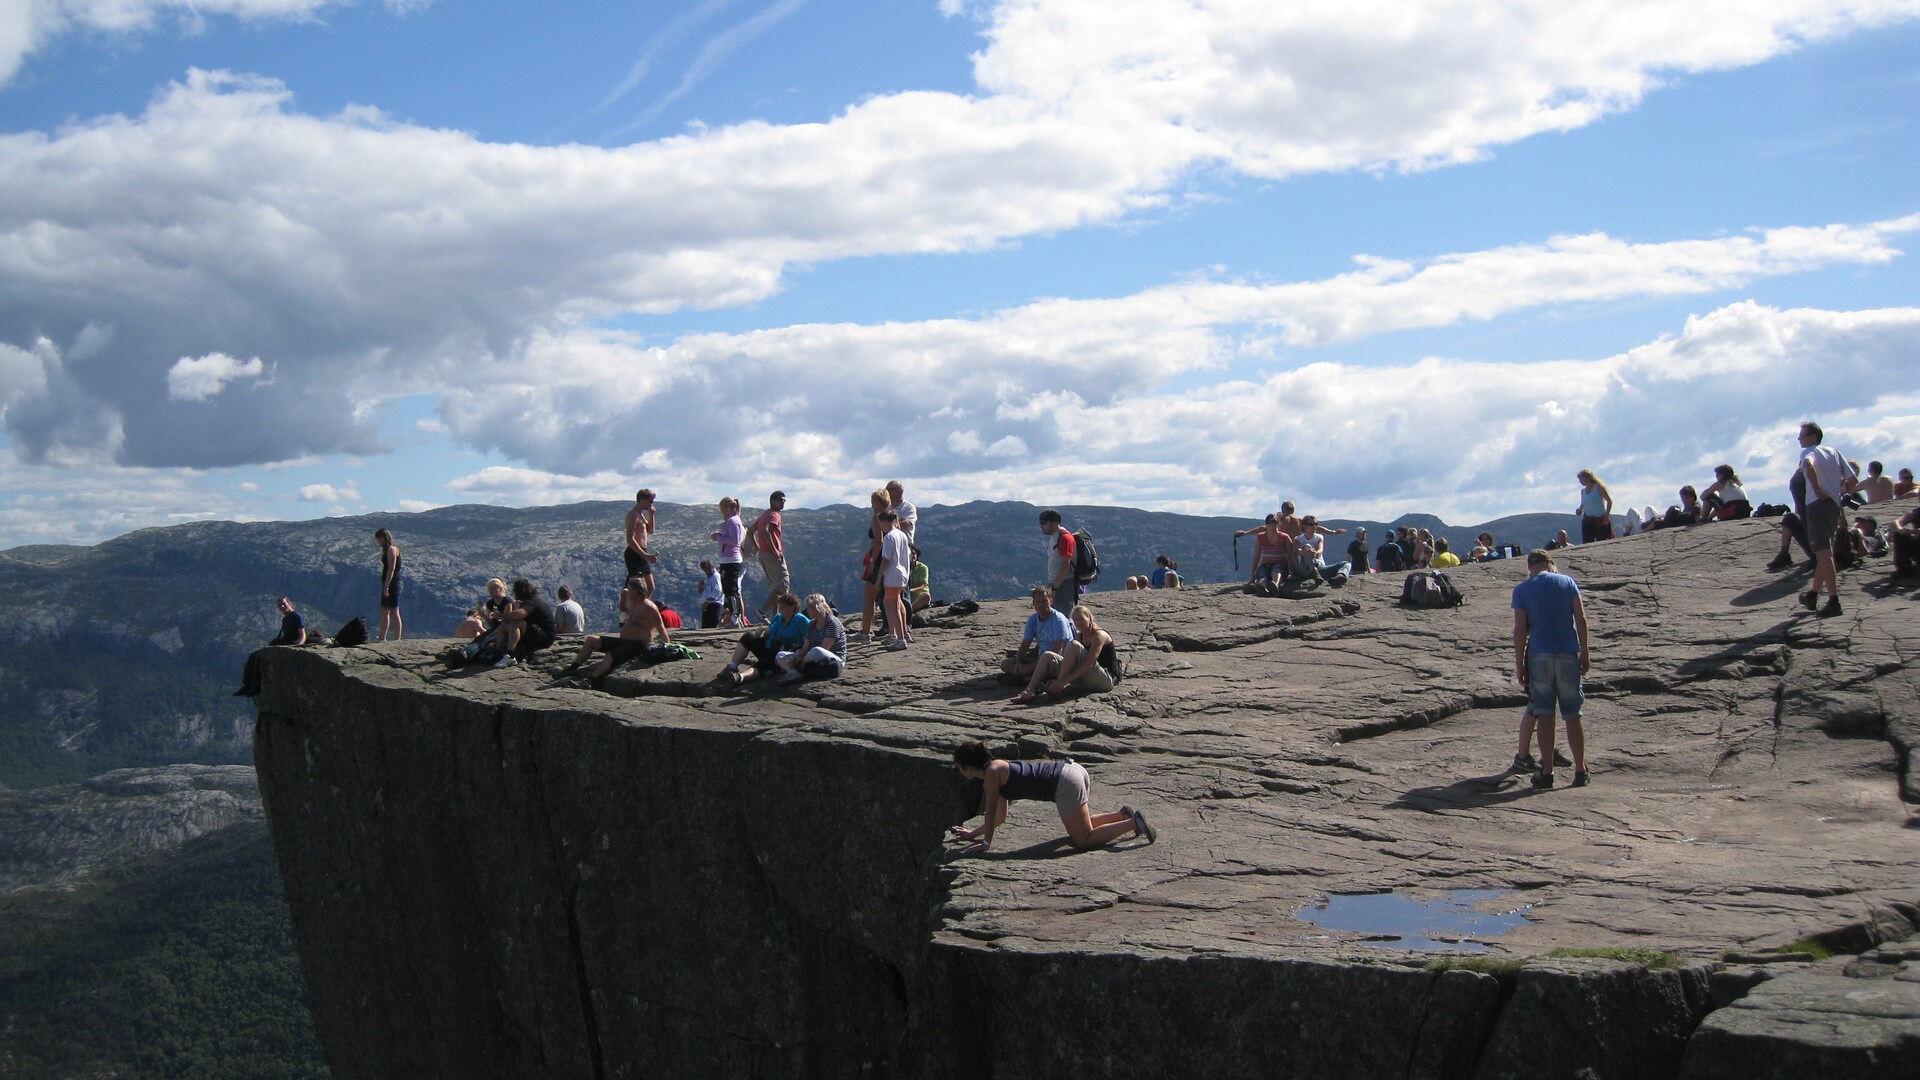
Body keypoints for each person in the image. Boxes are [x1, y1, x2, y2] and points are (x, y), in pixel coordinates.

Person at [948, 741, 1152, 853]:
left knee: (1083, 840)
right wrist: (972, 834)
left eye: (959, 768)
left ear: (967, 767)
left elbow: (991, 812)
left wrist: (986, 843)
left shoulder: (992, 773)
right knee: (1081, 828)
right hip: (1072, 770)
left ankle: (1134, 823)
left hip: (1064, 783)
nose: (959, 771)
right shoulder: (996, 767)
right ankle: (1121, 816)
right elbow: (1000, 817)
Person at [1511, 549, 1591, 788]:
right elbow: (1581, 618)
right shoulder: (1567, 582)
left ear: (1529, 567)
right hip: (1567, 652)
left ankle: (1547, 772)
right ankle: (1580, 770)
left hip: (1539, 656)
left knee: (1545, 712)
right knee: (1573, 713)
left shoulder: (1522, 590)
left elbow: (1520, 630)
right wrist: (1584, 651)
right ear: (1548, 563)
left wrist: (1519, 665)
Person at [1796, 421, 1856, 617]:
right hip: (1834, 505)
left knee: (1823, 554)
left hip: (1816, 504)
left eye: (1802, 435)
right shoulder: (1833, 451)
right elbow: (1852, 478)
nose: (1799, 439)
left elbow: (1807, 465)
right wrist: (1839, 492)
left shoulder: (1808, 453)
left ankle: (1833, 601)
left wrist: (1817, 488)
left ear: (1813, 436)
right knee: (1825, 551)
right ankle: (1812, 594)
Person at [565, 576, 668, 686]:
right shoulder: (633, 603)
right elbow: (622, 609)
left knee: (610, 656)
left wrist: (667, 646)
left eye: (630, 589)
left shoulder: (649, 607)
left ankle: (591, 681)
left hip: (638, 645)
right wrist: (623, 597)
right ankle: (571, 669)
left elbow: (661, 627)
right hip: (623, 642)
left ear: (637, 591)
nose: (627, 591)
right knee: (591, 640)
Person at [1011, 604, 1119, 704]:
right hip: (1085, 679)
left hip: (1105, 680)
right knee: (1047, 655)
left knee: (1073, 645)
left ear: (1089, 619)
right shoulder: (1079, 636)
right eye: (1076, 619)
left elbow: (1089, 663)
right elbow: (1070, 661)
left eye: (1082, 618)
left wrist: (1063, 681)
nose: (1079, 622)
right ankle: (1029, 690)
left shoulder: (1099, 635)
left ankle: (1058, 685)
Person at [720, 592, 809, 685]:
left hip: (783, 653)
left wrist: (800, 655)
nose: (781, 609)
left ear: (792, 607)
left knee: (766, 661)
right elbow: (769, 633)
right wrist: (761, 635)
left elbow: (808, 640)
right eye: (780, 607)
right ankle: (732, 666)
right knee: (748, 637)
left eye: (783, 607)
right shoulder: (778, 617)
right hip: (769, 646)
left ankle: (740, 677)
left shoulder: (801, 620)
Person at [235, 596, 307, 696]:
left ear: (289, 603)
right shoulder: (285, 619)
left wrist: (299, 645)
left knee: (261, 657)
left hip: (292, 643)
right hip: (284, 642)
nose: (282, 606)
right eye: (279, 605)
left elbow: (302, 634)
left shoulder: (296, 616)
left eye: (283, 604)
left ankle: (254, 687)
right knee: (254, 656)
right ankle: (247, 684)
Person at [1001, 586, 1073, 683]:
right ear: (1033, 603)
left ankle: (1025, 679)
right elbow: (1025, 645)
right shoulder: (1033, 620)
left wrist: (1030, 667)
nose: (1041, 605)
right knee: (1005, 664)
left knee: (1043, 669)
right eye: (1037, 602)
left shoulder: (1058, 620)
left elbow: (1057, 651)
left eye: (1044, 601)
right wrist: (1018, 663)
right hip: (1040, 658)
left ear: (1051, 601)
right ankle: (1025, 678)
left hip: (1058, 661)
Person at [776, 593, 848, 685]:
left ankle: (800, 667)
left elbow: (824, 649)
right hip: (811, 658)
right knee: (781, 655)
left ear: (817, 607)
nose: (807, 610)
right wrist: (798, 656)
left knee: (817, 650)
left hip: (833, 660)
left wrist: (801, 660)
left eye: (809, 607)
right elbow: (806, 647)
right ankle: (793, 672)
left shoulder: (832, 623)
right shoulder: (811, 624)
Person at [853, 489, 891, 643]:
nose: (871, 505)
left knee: (869, 597)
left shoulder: (877, 518)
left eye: (873, 502)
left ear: (878, 502)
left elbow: (878, 541)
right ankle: (896, 632)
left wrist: (872, 561)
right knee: (891, 597)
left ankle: (865, 633)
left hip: (879, 559)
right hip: (891, 559)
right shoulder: (892, 516)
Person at [494, 578, 557, 667]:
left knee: (515, 623)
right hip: (537, 632)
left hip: (546, 637)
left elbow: (520, 615)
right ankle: (499, 652)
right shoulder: (530, 601)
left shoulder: (532, 602)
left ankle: (511, 655)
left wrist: (501, 615)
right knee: (503, 626)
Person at [749, 491, 792, 620]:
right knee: (782, 586)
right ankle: (762, 611)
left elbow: (750, 532)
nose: (782, 502)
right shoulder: (774, 515)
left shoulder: (764, 514)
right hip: (772, 555)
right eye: (780, 500)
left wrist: (758, 548)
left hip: (763, 554)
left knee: (776, 588)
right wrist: (775, 550)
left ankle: (776, 617)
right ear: (773, 501)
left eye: (784, 500)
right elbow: (766, 530)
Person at [877, 509, 912, 651]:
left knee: (893, 605)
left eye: (880, 523)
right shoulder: (902, 535)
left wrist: (879, 577)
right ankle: (897, 634)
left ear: (885, 521)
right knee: (892, 601)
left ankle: (900, 638)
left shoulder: (889, 537)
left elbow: (885, 559)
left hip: (892, 574)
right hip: (903, 573)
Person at [712, 496, 748, 628]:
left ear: (728, 508)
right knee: (728, 589)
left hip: (731, 559)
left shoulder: (733, 521)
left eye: (722, 509)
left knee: (731, 589)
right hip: (727, 558)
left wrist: (719, 537)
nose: (722, 513)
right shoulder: (732, 521)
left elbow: (735, 540)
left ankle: (735, 617)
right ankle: (735, 617)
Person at [1237, 514, 1294, 591]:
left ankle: (1275, 585)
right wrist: (1252, 577)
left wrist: (1291, 572)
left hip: (1280, 564)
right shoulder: (1260, 537)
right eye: (1269, 522)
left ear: (1278, 523)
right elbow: (1256, 557)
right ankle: (1262, 587)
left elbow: (1291, 555)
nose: (1271, 524)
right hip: (1265, 565)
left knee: (1277, 570)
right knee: (1263, 574)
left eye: (1274, 522)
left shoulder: (1285, 537)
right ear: (1266, 524)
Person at [1038, 508, 1079, 614]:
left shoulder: (1065, 538)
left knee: (1063, 616)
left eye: (1043, 523)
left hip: (1064, 583)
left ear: (1051, 523)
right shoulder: (1055, 537)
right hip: (1058, 583)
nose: (1041, 526)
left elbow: (1065, 564)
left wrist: (1054, 588)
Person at [1293, 516, 1350, 586]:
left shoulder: (1319, 537)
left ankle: (1340, 576)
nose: (1314, 526)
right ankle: (1314, 572)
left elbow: (1320, 550)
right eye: (1311, 524)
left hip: (1320, 568)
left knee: (1346, 563)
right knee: (1307, 546)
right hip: (1304, 569)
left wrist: (1315, 553)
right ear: (1304, 526)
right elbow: (1297, 550)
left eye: (1316, 524)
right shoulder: (1298, 539)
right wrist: (1306, 552)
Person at [623, 489, 659, 591]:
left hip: (642, 552)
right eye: (650, 501)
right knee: (637, 587)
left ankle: (639, 605)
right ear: (642, 500)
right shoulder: (633, 515)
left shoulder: (641, 515)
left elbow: (650, 530)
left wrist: (651, 515)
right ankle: (629, 603)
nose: (651, 504)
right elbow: (630, 539)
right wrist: (646, 556)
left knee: (650, 587)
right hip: (634, 552)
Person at [375, 528, 403, 642]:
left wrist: (387, 586)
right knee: (384, 610)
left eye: (379, 539)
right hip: (387, 583)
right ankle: (382, 637)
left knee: (394, 611)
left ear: (383, 538)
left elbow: (391, 568)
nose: (378, 542)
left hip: (393, 584)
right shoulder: (387, 550)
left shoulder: (392, 549)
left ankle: (397, 638)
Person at [1576, 469, 1613, 543]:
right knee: (1587, 543)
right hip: (1588, 521)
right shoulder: (1583, 491)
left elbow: (1609, 501)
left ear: (1588, 478)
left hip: (1600, 520)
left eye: (1581, 479)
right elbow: (1583, 505)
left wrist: (1606, 515)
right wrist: (1579, 511)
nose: (1580, 481)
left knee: (1602, 542)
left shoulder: (1598, 487)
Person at [697, 560, 724, 628]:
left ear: (710, 567)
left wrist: (707, 602)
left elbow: (717, 590)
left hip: (714, 605)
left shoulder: (715, 577)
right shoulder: (708, 578)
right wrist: (700, 587)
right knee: (705, 626)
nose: (706, 572)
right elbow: (704, 592)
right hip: (707, 605)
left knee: (712, 625)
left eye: (706, 570)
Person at [907, 546, 932, 612]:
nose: (913, 556)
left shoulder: (922, 568)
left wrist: (909, 591)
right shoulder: (904, 568)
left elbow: (922, 586)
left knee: (927, 596)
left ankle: (908, 611)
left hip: (920, 596)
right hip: (908, 597)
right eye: (910, 554)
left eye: (914, 553)